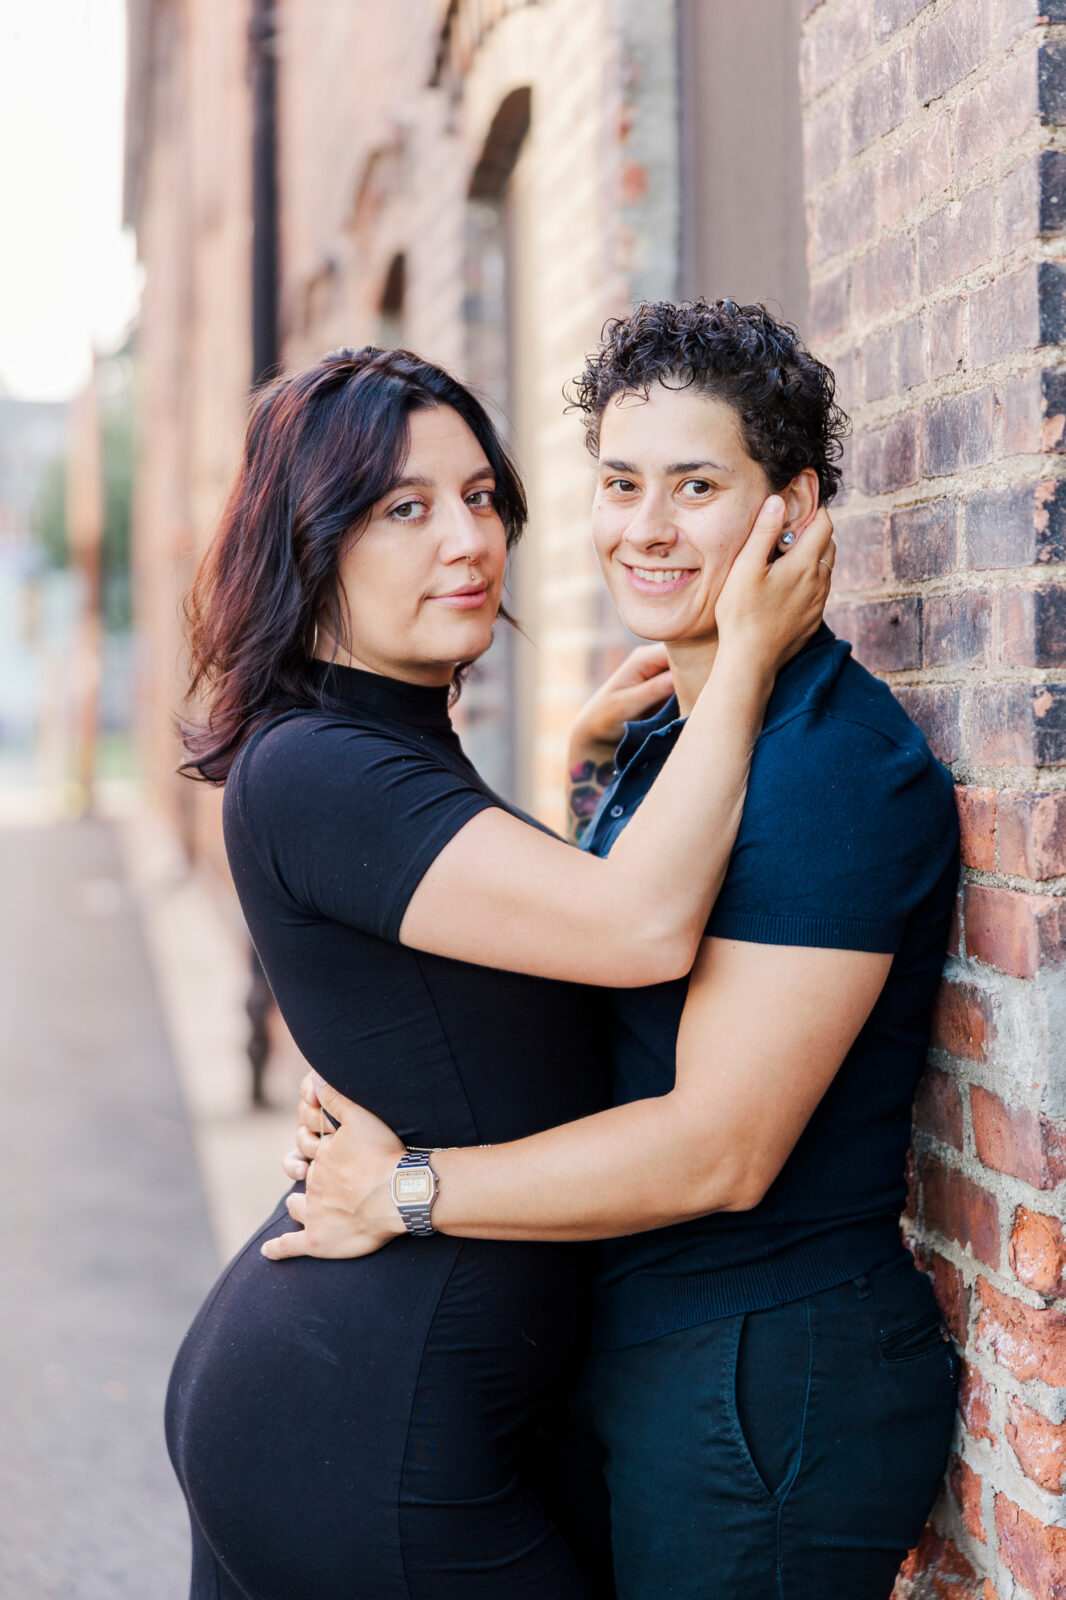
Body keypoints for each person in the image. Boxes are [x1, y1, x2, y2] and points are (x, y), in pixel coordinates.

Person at [272, 302, 961, 1600]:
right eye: (619, 483)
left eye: (695, 487)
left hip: (757, 1381)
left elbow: (719, 1150)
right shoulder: (670, 738)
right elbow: (617, 953)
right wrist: (588, 784)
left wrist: (406, 1191)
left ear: (789, 510)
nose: (644, 528)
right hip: (649, 1359)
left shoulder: (829, 772)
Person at [165, 341, 832, 1600]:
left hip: (370, 1400)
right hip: (361, 1427)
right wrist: (745, 657)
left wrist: (584, 784)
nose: (468, 541)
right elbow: (638, 931)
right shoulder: (321, 765)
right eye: (403, 509)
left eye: (480, 497)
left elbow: (499, 989)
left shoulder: (386, 747)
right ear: (310, 540)